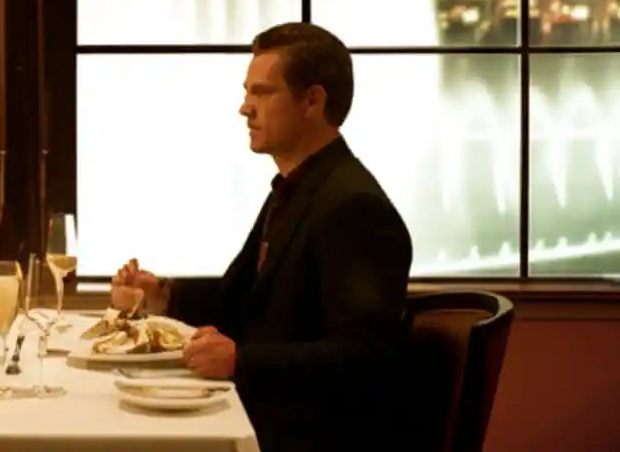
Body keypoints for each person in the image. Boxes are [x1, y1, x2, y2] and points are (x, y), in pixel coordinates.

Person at [111, 22, 413, 452]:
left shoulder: (354, 207)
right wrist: (163, 296)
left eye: (262, 93)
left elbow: (365, 356)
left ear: (312, 101)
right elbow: (245, 301)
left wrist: (241, 360)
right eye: (247, 92)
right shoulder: (296, 188)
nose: (244, 108)